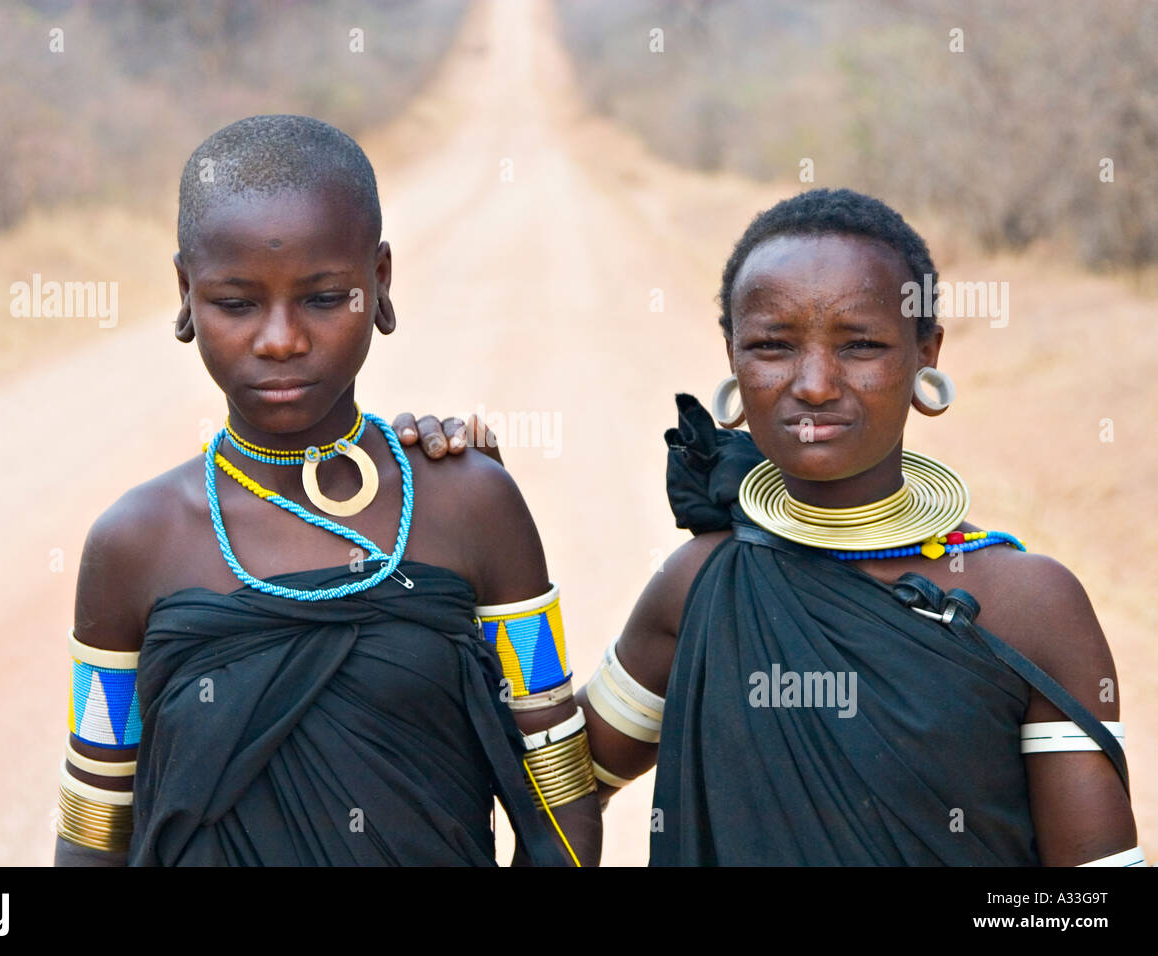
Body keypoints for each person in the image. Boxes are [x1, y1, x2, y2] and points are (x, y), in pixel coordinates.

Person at [397, 188, 1144, 866]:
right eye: (773, 345)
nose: (814, 384)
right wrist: (471, 551)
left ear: (927, 356)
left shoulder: (1031, 605)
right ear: (732, 360)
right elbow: (562, 789)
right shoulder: (698, 585)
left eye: (861, 344)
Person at [53, 115, 601, 866]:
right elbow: (94, 825)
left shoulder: (470, 502)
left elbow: (557, 793)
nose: (280, 339)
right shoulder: (134, 542)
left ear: (378, 283)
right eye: (236, 303)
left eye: (322, 298)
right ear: (185, 292)